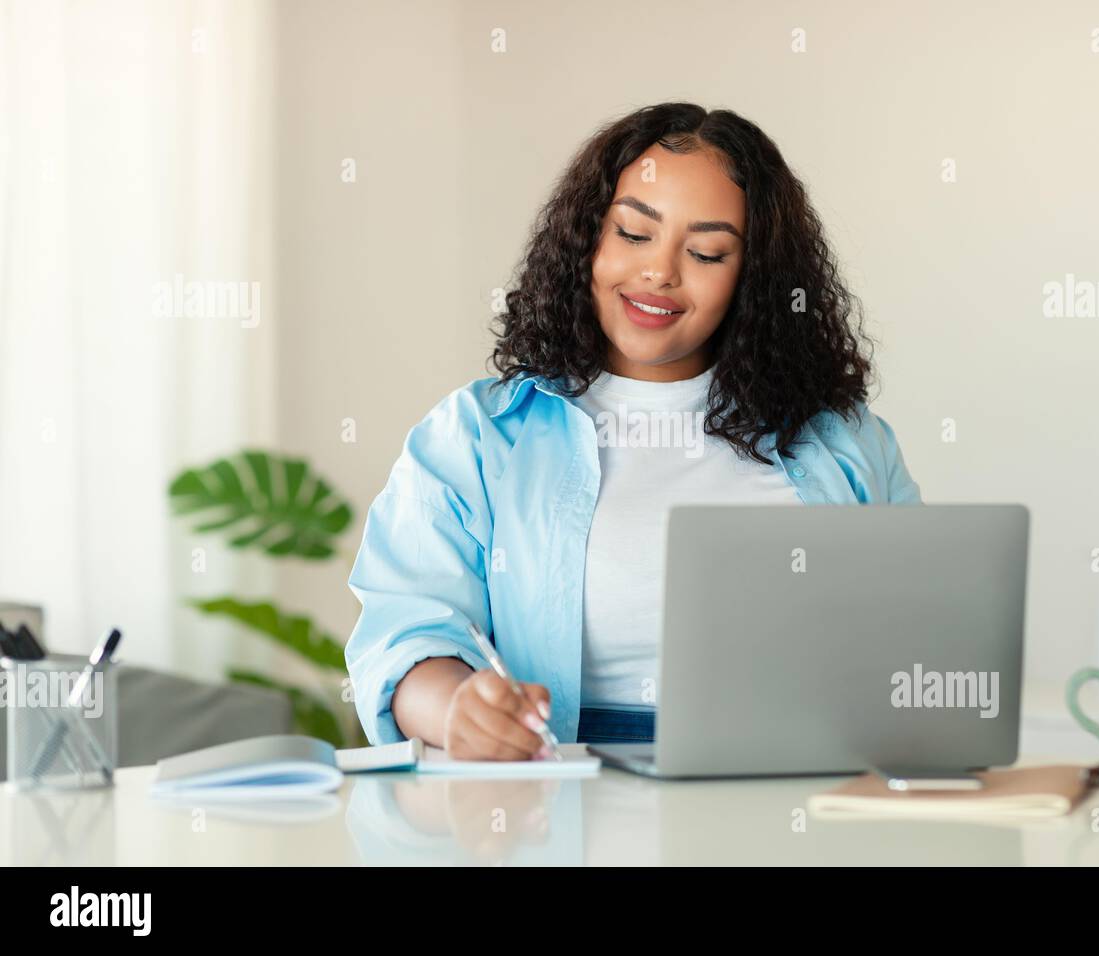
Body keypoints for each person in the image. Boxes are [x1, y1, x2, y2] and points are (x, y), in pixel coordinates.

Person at [345, 102, 922, 760]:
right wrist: (457, 710)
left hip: (800, 791)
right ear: (587, 237)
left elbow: (916, 633)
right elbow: (403, 634)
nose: (660, 272)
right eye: (633, 233)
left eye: (706, 251)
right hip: (566, 798)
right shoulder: (476, 436)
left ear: (752, 280)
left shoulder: (846, 442)